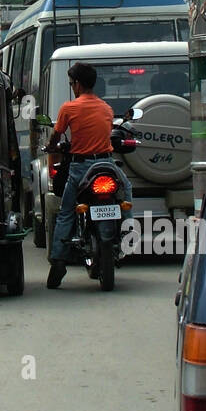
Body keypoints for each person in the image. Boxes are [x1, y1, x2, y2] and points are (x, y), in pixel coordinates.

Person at [45, 61, 132, 289]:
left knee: (66, 213)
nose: (72, 87)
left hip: (81, 169)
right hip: (106, 164)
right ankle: (127, 229)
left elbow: (56, 137)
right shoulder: (106, 108)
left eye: (72, 83)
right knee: (127, 189)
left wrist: (52, 146)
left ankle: (59, 260)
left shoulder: (69, 108)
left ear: (78, 84)